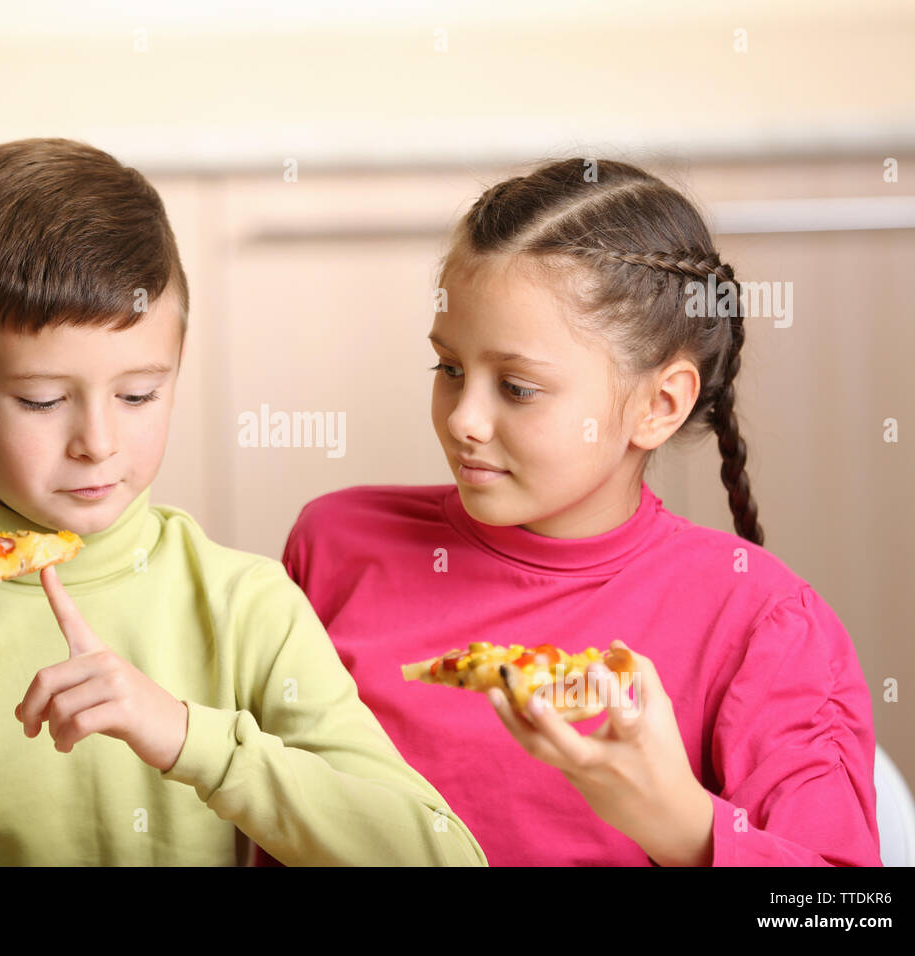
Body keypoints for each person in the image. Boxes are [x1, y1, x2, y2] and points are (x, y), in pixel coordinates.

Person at [0, 137, 486, 866]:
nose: (99, 442)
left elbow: (441, 857)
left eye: (139, 393)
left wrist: (188, 738)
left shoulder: (245, 606)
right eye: (42, 399)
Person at [255, 158, 880, 866]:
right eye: (449, 369)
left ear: (658, 405)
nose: (464, 418)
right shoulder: (336, 545)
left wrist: (682, 827)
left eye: (517, 388)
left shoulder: (763, 622)